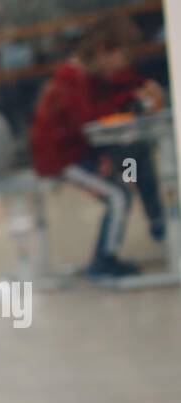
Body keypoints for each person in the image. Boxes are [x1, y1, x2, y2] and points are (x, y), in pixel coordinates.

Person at [30, 15, 166, 279]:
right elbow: (88, 121)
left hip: (79, 152)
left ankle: (159, 222)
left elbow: (120, 84)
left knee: (139, 154)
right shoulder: (70, 77)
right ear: (104, 51)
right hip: (62, 159)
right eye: (123, 56)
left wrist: (141, 89)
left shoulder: (88, 75)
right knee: (118, 195)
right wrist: (130, 99)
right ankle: (103, 262)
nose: (125, 63)